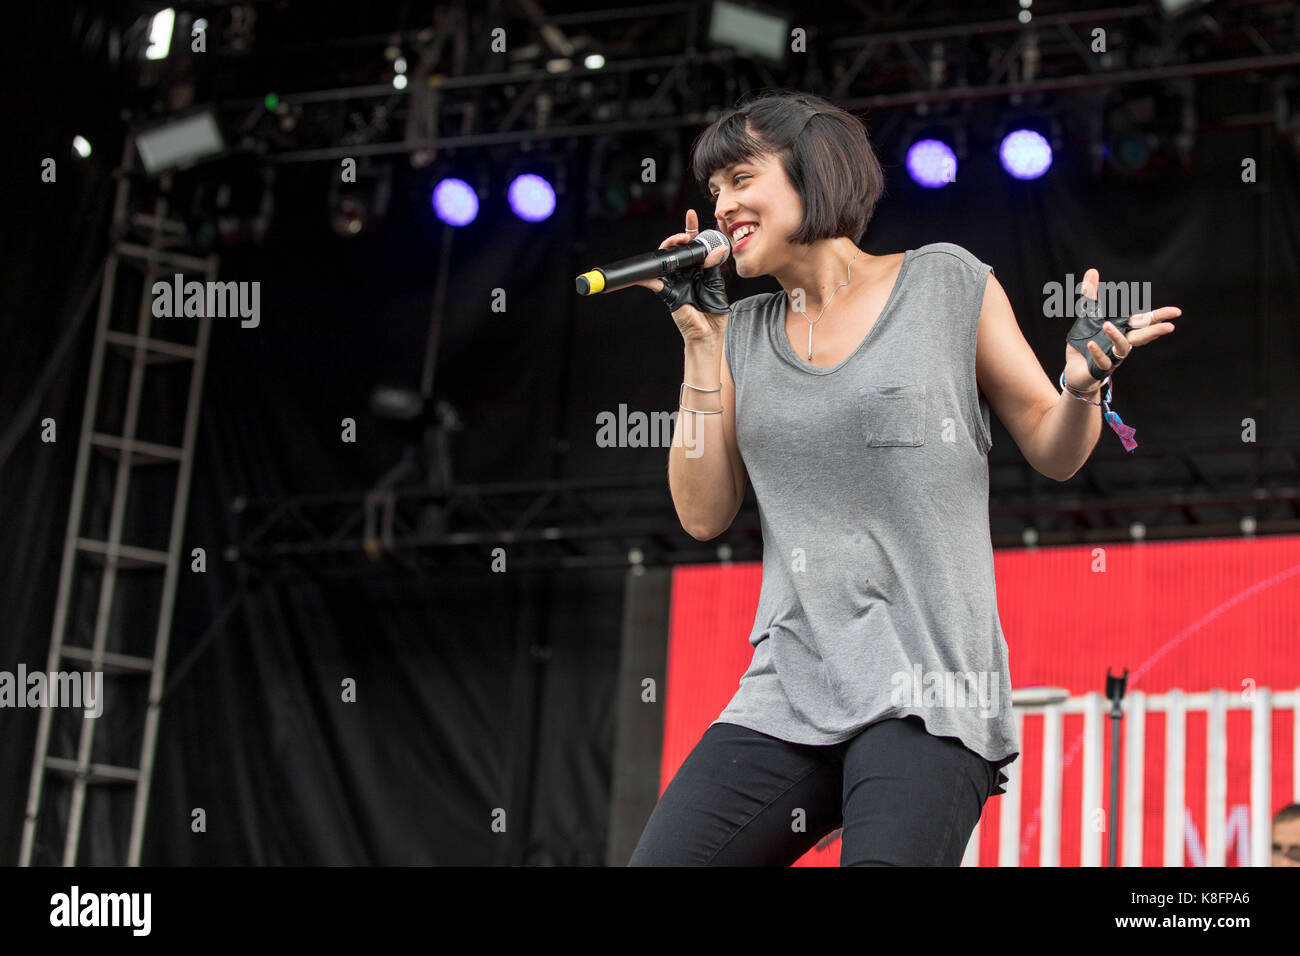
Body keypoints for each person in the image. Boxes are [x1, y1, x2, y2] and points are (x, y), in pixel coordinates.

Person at [625, 90, 1180, 867]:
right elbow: (703, 513)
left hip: (932, 690)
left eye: (740, 179)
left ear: (811, 170)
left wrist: (1083, 388)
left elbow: (1056, 451)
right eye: (712, 190)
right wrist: (699, 341)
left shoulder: (944, 283)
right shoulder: (739, 333)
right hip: (788, 688)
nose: (720, 205)